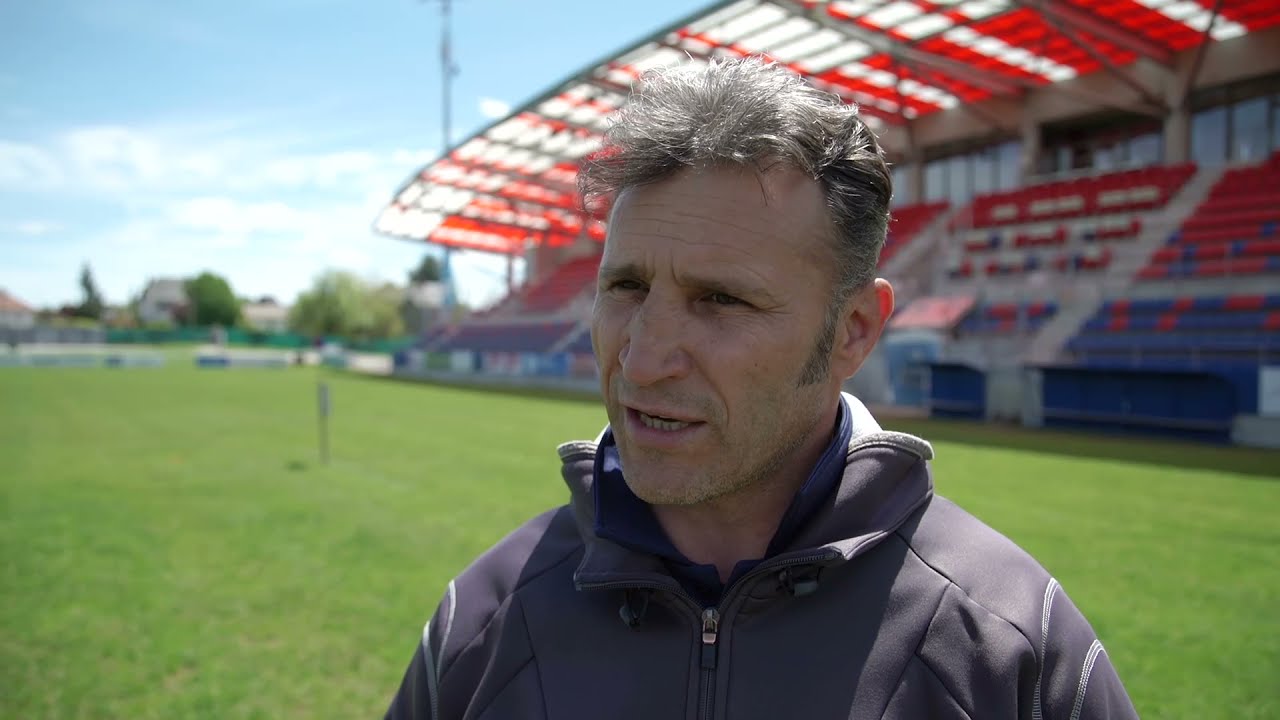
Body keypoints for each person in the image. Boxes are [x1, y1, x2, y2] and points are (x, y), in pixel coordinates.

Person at [383, 57, 1137, 719]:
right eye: (626, 285)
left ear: (853, 331)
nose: (641, 361)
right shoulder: (483, 619)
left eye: (721, 300)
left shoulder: (1010, 642)